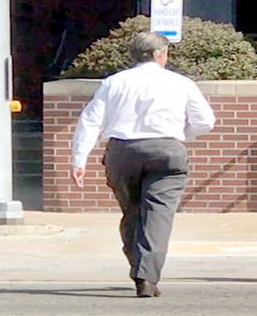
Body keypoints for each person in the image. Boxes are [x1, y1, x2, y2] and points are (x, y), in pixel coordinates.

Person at [69, 32, 216, 298]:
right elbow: (205, 120)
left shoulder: (113, 83)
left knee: (132, 212)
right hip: (167, 151)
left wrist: (80, 159)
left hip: (122, 151)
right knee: (158, 215)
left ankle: (137, 262)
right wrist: (180, 135)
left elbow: (90, 121)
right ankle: (146, 275)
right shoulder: (180, 83)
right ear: (162, 55)